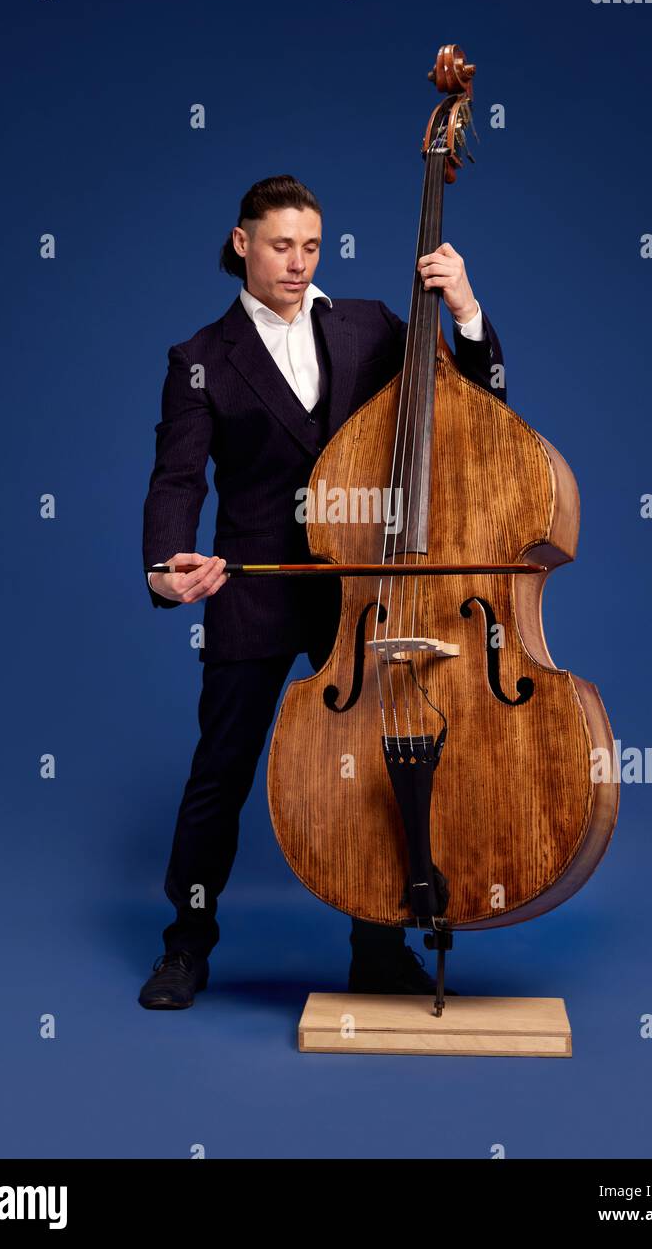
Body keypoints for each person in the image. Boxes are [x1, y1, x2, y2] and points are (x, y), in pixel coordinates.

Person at [138, 174, 507, 1009]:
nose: (299, 262)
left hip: (364, 590)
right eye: (280, 245)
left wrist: (465, 310)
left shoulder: (372, 325)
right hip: (257, 587)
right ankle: (185, 945)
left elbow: (481, 406)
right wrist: (167, 559)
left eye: (311, 245)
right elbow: (176, 477)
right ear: (242, 244)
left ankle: (377, 951)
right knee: (220, 773)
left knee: (383, 765)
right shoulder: (198, 360)